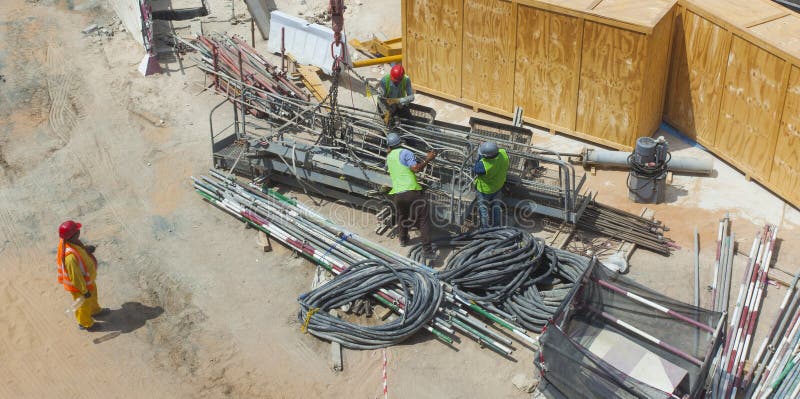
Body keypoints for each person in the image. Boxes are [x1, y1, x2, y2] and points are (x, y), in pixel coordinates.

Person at [385, 133, 437, 258]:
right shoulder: (405, 152)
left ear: (389, 146)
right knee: (423, 220)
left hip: (398, 194)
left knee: (402, 216)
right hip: (411, 191)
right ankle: (427, 250)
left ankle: (403, 239)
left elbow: (388, 168)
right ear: (400, 142)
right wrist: (428, 159)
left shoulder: (389, 156)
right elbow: (415, 169)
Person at [56, 220, 106, 331]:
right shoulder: (70, 257)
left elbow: (78, 252)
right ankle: (86, 323)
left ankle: (95, 311)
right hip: (80, 287)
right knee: (83, 305)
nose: (79, 231)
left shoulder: (70, 242)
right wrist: (84, 291)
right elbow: (75, 277)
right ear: (73, 235)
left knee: (93, 297)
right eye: (77, 231)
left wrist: (86, 249)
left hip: (87, 282)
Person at [474, 141, 509, 228]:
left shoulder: (484, 165)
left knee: (483, 210)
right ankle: (496, 226)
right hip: (498, 186)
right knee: (496, 207)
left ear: (486, 156)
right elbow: (498, 150)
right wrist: (485, 147)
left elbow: (475, 169)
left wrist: (480, 153)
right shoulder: (503, 153)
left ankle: (484, 230)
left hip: (485, 191)